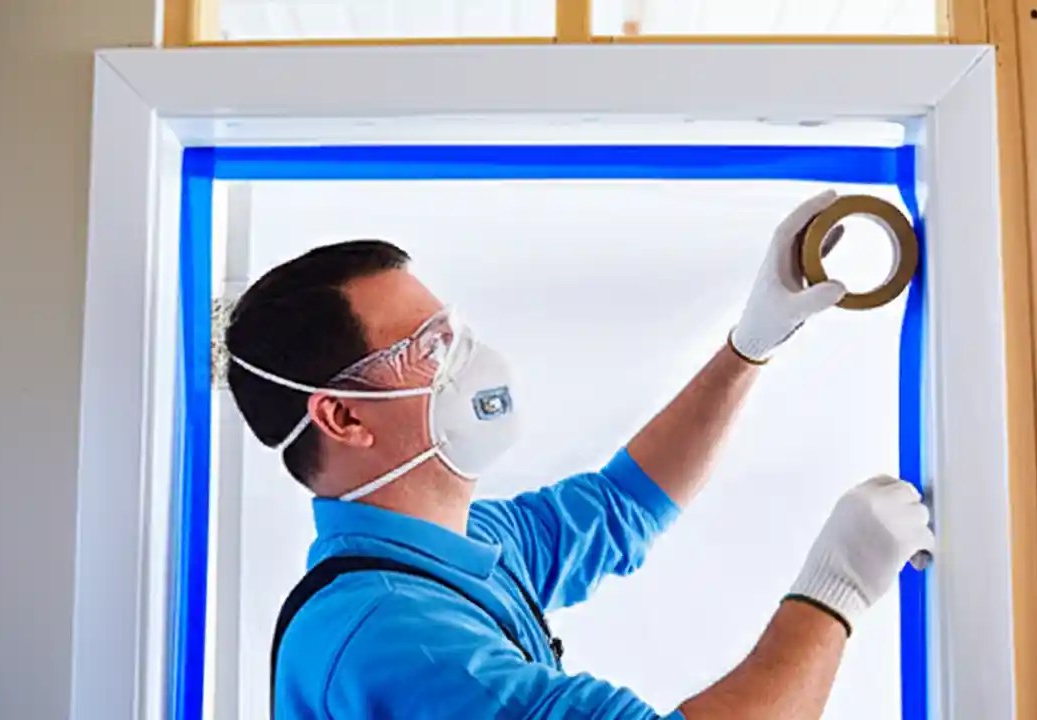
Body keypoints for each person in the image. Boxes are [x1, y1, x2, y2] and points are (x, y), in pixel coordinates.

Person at [225, 190, 935, 719]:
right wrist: (833, 593)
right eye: (428, 348)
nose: (468, 359)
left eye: (454, 329)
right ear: (344, 416)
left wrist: (752, 343)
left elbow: (622, 505)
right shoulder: (391, 635)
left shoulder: (463, 545)